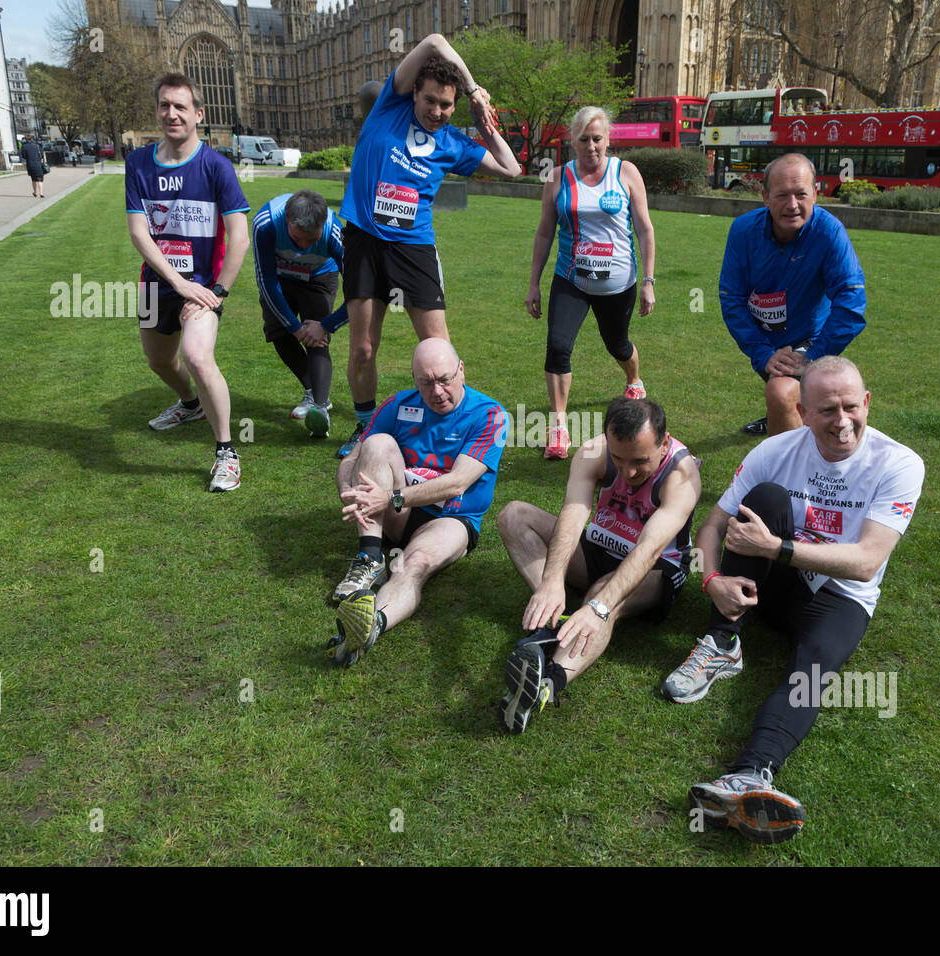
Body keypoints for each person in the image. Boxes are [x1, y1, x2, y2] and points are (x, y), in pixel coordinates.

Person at [663, 356, 924, 844]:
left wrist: (778, 549)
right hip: (770, 583)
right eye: (827, 410)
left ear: (867, 403)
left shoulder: (900, 462)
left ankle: (748, 776)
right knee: (765, 499)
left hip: (842, 595)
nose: (842, 421)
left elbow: (867, 561)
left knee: (809, 675)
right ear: (802, 412)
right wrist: (712, 578)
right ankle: (723, 643)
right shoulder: (774, 450)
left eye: (851, 406)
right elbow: (713, 526)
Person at [335, 32, 521, 458]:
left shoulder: (454, 143)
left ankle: (452, 430)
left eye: (446, 104)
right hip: (363, 240)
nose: (437, 111)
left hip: (413, 249)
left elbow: (511, 168)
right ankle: (365, 427)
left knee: (438, 350)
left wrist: (482, 120)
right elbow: (435, 41)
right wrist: (472, 85)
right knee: (363, 347)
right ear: (413, 92)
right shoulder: (389, 107)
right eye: (431, 100)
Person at [497, 397, 700, 733]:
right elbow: (574, 513)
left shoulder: (682, 474)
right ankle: (554, 619)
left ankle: (548, 683)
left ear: (664, 443)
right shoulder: (594, 452)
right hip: (597, 548)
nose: (629, 472)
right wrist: (551, 580)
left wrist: (599, 607)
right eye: (619, 459)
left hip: (657, 567)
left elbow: (649, 549)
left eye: (640, 461)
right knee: (514, 515)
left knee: (602, 595)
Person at [330, 338, 507, 666]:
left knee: (414, 564)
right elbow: (351, 458)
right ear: (414, 380)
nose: (437, 391)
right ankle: (369, 558)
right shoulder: (397, 405)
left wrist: (390, 497)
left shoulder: (490, 414)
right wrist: (348, 490)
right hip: (397, 512)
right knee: (377, 444)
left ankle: (371, 625)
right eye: (426, 383)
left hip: (452, 520)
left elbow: (457, 484)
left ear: (461, 372)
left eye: (444, 380)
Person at [125, 72, 251, 492]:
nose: (171, 113)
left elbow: (240, 236)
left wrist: (217, 292)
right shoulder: (138, 163)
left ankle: (226, 453)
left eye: (180, 106)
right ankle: (190, 405)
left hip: (203, 288)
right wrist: (175, 281)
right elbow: (139, 233)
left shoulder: (216, 165)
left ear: (198, 114)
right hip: (157, 283)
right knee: (159, 361)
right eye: (164, 105)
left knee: (198, 357)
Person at [526, 107, 656, 460]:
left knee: (617, 344)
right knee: (557, 345)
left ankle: (633, 380)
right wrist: (534, 283)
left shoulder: (625, 172)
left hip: (618, 283)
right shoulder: (557, 178)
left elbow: (644, 228)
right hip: (572, 279)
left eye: (597, 138)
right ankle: (558, 426)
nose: (591, 146)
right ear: (573, 141)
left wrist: (648, 280)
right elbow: (544, 232)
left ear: (608, 139)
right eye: (583, 139)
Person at [720, 152, 866, 437]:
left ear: (815, 193)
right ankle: (783, 420)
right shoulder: (742, 230)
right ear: (764, 196)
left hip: (809, 340)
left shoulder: (829, 232)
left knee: (781, 391)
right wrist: (762, 353)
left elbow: (852, 300)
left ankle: (792, 475)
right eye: (782, 195)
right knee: (783, 396)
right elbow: (731, 298)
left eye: (801, 194)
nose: (792, 205)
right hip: (764, 339)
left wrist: (813, 357)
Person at [250, 189, 350, 438]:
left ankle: (320, 407)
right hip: (280, 277)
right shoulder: (265, 224)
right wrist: (294, 327)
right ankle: (311, 390)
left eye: (311, 240)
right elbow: (266, 280)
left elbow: (360, 292)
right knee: (278, 332)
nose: (303, 247)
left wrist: (327, 325)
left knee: (317, 339)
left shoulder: (335, 233)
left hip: (319, 278)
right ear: (286, 220)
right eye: (297, 239)